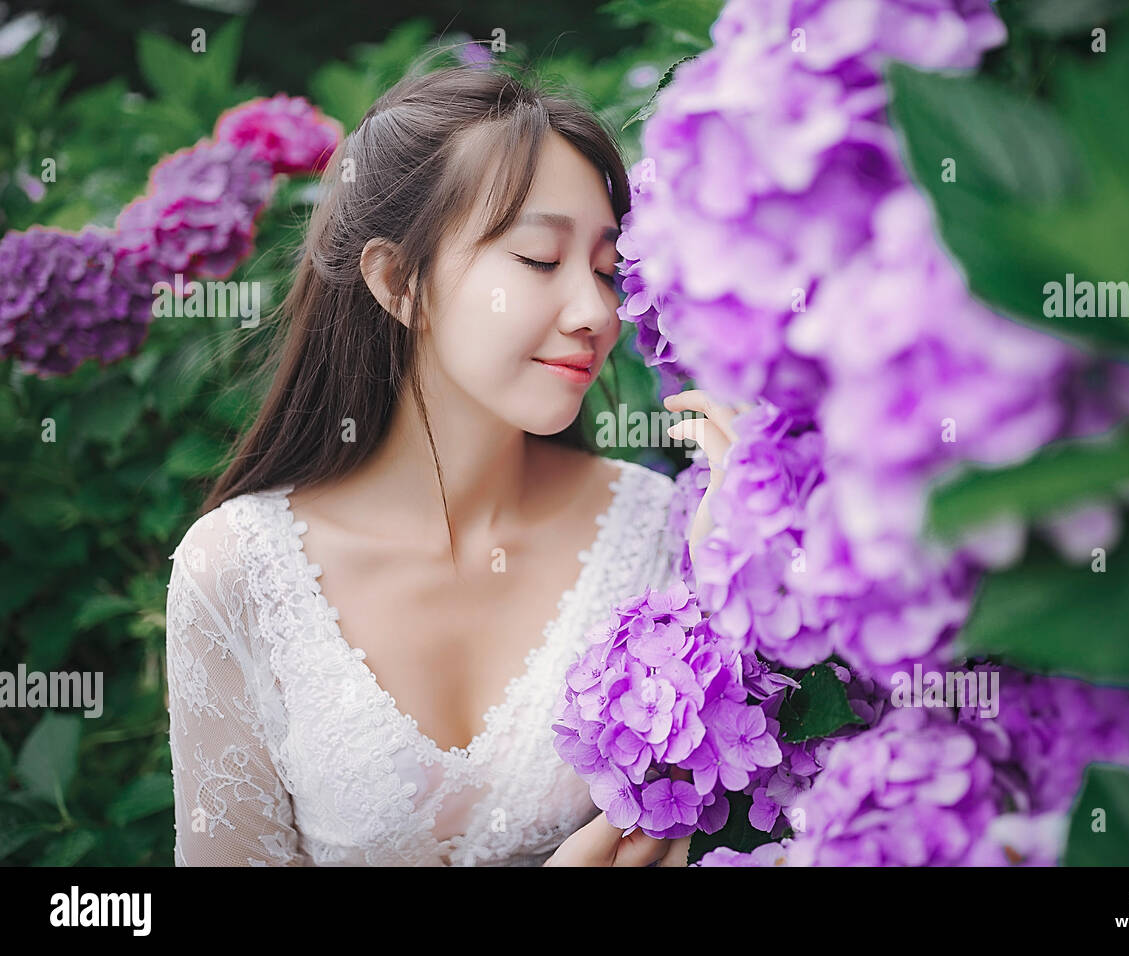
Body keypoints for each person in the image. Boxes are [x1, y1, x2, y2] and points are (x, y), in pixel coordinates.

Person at [163, 62, 738, 866]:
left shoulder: (670, 536)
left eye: (609, 271)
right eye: (539, 260)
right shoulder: (238, 575)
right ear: (399, 281)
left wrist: (740, 575)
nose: (596, 313)